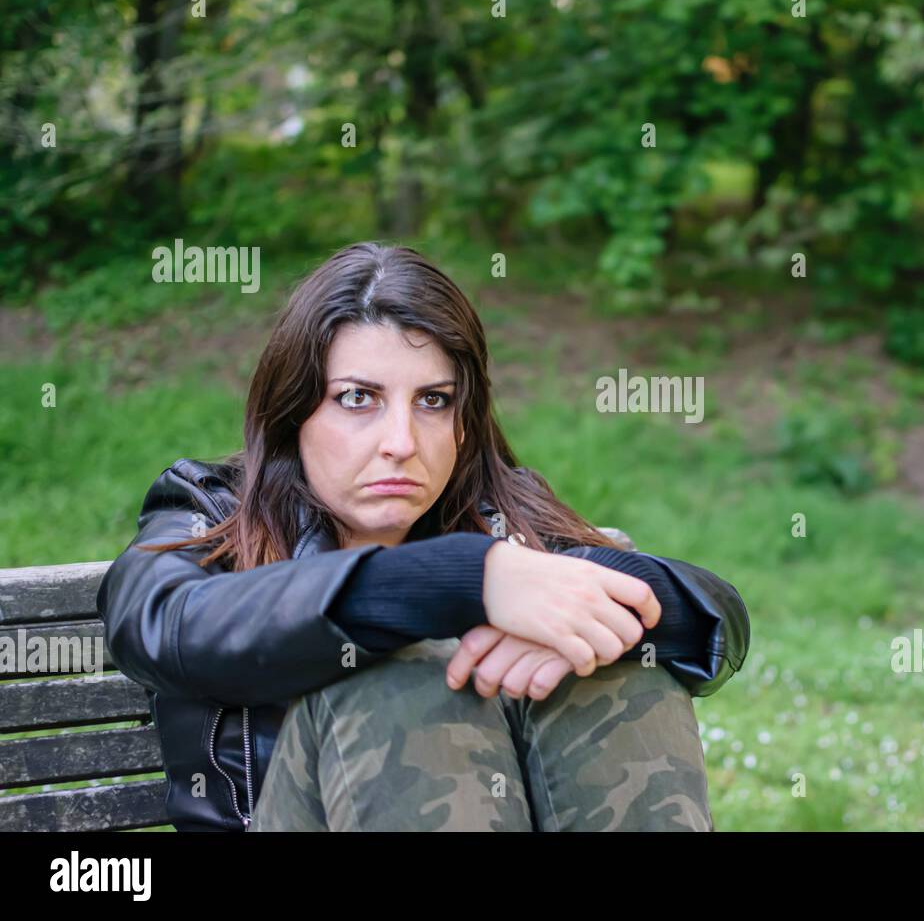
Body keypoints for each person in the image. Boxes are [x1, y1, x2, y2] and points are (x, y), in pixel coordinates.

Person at [96, 242, 750, 831]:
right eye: (358, 399)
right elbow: (158, 624)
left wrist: (607, 608)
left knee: (613, 665)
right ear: (294, 412)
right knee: (400, 677)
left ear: (463, 423)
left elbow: (717, 610)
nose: (401, 444)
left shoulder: (501, 516)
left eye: (433, 401)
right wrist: (467, 580)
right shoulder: (208, 507)